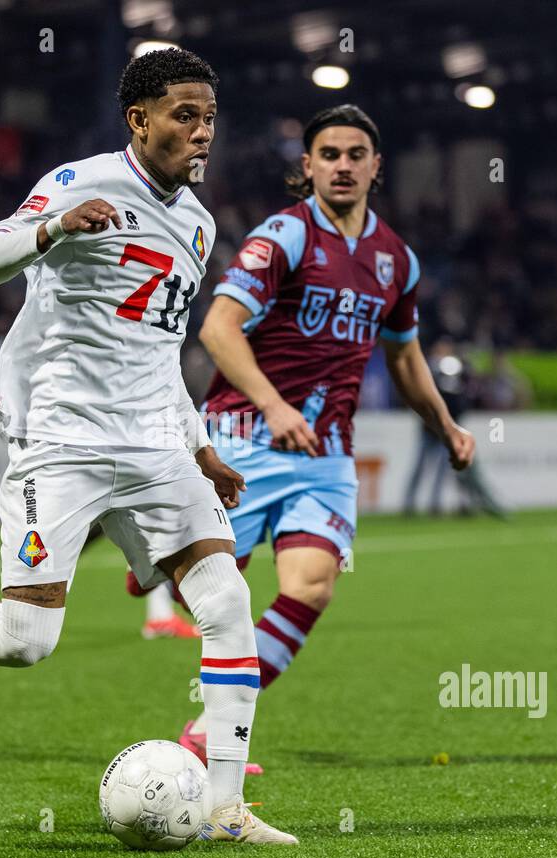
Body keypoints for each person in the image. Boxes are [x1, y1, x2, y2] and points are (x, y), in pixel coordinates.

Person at [0, 49, 295, 845]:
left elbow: (157, 350)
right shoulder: (80, 183)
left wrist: (199, 444)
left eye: (210, 117)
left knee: (226, 607)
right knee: (25, 644)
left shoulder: (198, 221)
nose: (201, 132)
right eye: (184, 115)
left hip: (154, 445)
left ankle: (223, 809)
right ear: (138, 119)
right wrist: (48, 229)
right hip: (63, 440)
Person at [164, 105, 475, 770]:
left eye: (355, 154)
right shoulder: (282, 237)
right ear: (307, 167)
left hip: (326, 454)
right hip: (244, 440)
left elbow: (405, 356)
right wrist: (274, 406)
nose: (342, 165)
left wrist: (444, 423)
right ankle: (156, 563)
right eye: (328, 154)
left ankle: (207, 737)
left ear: (375, 167)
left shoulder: (397, 260)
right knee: (214, 596)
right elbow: (217, 329)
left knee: (310, 587)